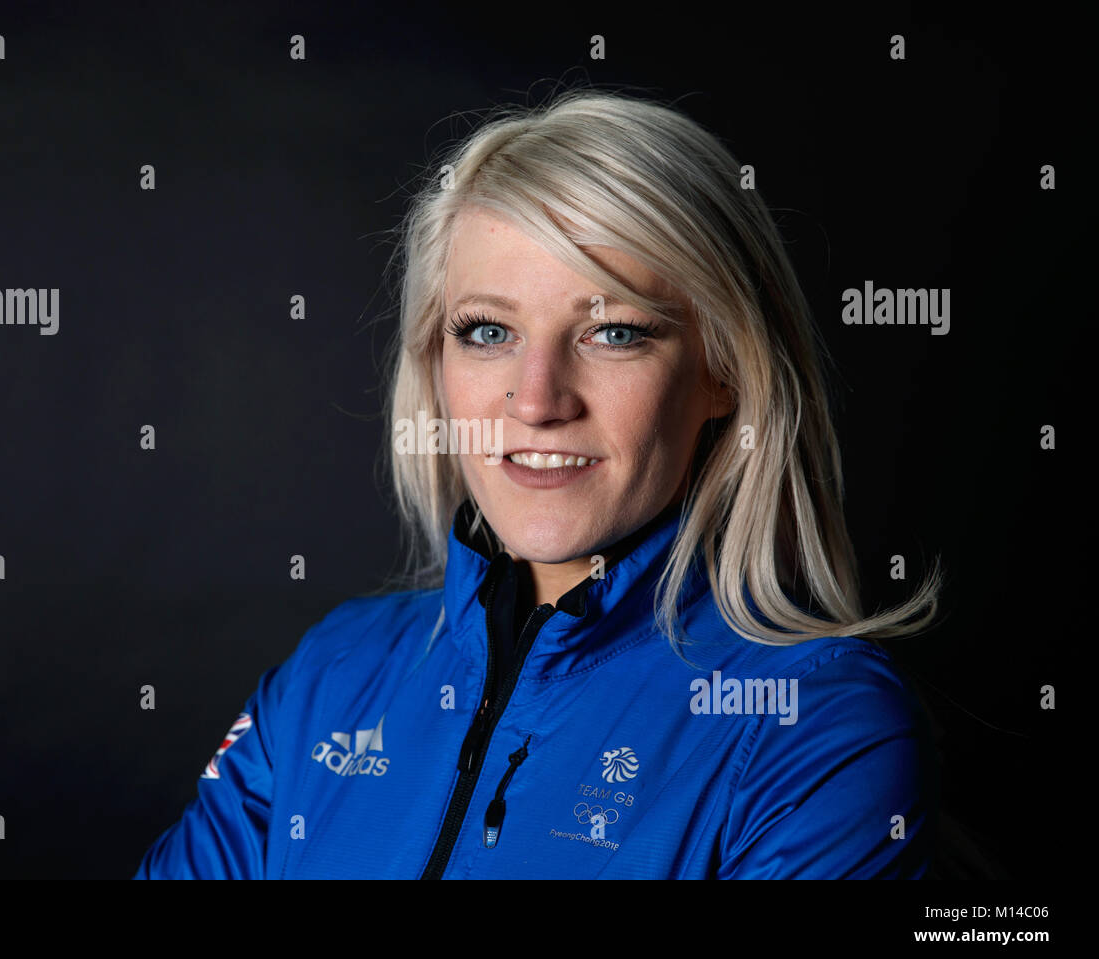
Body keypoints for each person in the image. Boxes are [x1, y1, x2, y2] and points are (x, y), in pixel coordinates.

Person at [133, 86, 943, 879]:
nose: (537, 399)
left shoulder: (813, 726)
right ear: (434, 362)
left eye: (613, 332)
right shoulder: (329, 676)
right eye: (489, 331)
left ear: (724, 372)